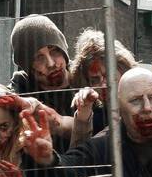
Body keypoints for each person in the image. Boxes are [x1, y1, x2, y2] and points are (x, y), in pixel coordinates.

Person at [7, 14, 96, 149]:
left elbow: (103, 128)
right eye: (39, 57)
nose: (51, 63)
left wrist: (57, 121)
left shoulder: (86, 76)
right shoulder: (21, 86)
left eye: (54, 51)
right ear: (28, 67)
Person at [70, 27, 136, 136]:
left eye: (109, 76)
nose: (104, 85)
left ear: (124, 69)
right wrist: (83, 117)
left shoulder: (148, 101)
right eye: (95, 80)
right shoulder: (96, 120)